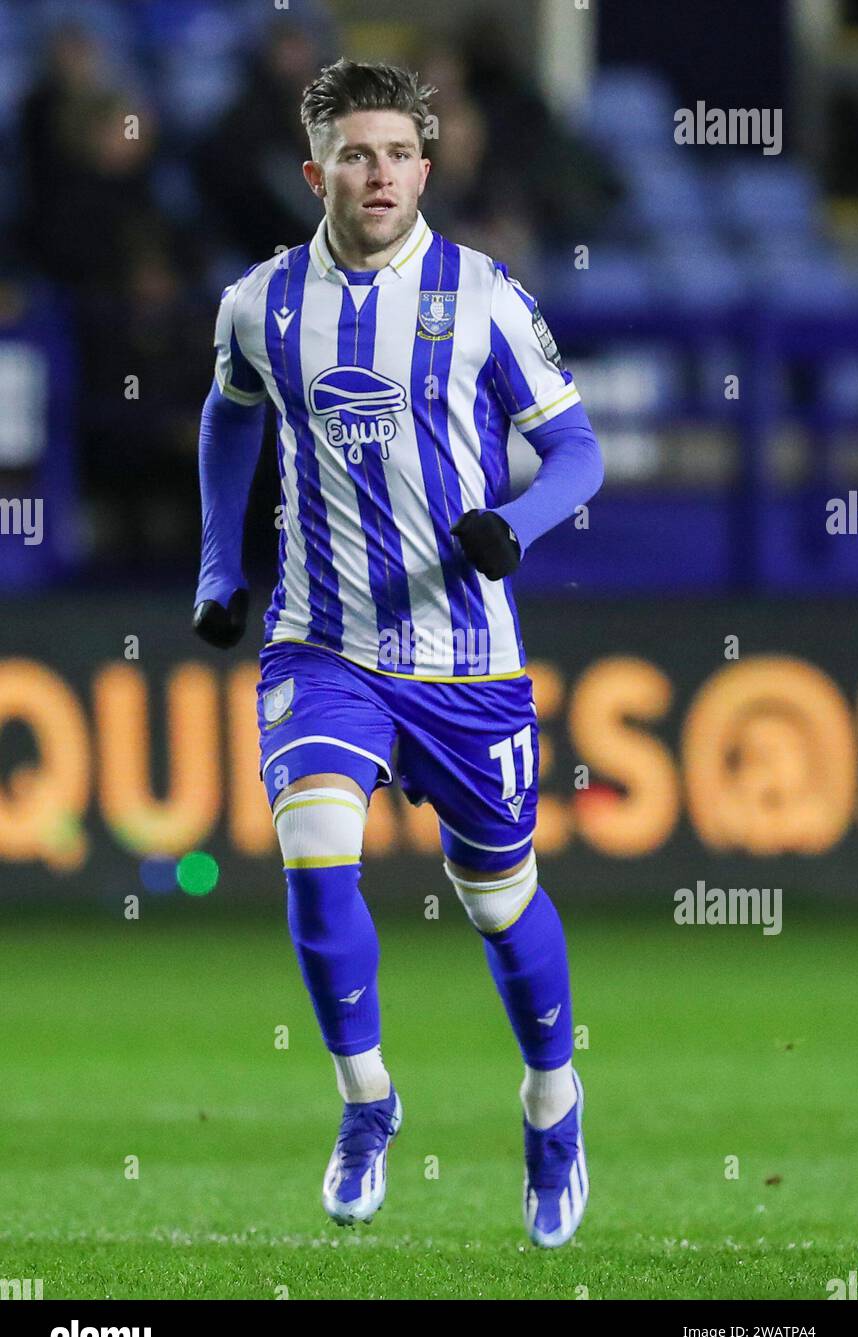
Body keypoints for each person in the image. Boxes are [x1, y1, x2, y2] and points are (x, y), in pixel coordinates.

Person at [192, 59, 603, 1249]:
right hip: (322, 648)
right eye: (353, 155)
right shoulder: (258, 305)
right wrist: (223, 563)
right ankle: (367, 1100)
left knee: (499, 900)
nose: (377, 175)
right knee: (316, 859)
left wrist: (510, 528)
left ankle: (550, 1101)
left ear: (428, 166)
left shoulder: (481, 295)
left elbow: (575, 449)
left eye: (397, 154)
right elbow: (227, 412)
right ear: (315, 168)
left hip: (467, 661)